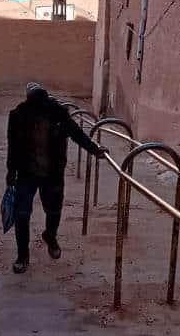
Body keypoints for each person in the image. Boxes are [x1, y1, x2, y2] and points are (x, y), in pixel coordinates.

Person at [6, 83, 105, 273]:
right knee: (22, 214)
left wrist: (95, 149)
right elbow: (13, 146)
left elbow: (77, 134)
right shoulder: (18, 116)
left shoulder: (58, 114)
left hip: (52, 173)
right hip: (26, 173)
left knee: (53, 211)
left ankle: (50, 236)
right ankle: (22, 255)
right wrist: (10, 172)